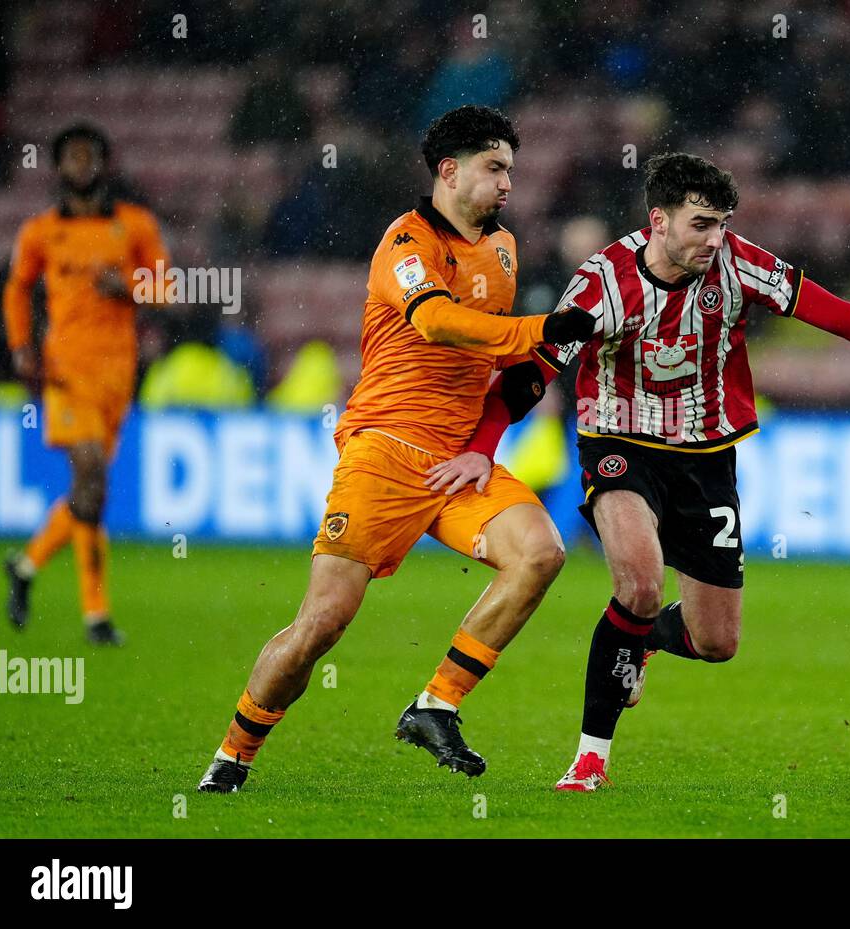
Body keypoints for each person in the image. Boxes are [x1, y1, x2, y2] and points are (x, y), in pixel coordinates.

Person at [465, 152, 850, 791]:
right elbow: (531, 375)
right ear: (659, 221)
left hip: (708, 457)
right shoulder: (602, 283)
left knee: (716, 642)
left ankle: (645, 639)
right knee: (640, 581)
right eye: (700, 224)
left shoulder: (742, 266)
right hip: (620, 442)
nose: (714, 239)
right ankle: (590, 758)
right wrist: (481, 447)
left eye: (721, 225)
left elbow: (844, 317)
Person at [197, 105, 596, 793]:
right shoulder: (403, 244)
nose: (508, 183)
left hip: (454, 464)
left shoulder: (503, 247)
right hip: (384, 451)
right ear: (449, 171)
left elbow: (494, 360)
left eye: (512, 169)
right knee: (321, 623)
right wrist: (543, 328)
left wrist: (486, 438)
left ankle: (436, 703)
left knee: (540, 552)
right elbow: (438, 322)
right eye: (494, 168)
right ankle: (233, 753)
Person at [1, 123, 170, 645]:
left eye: (89, 155)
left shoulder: (135, 226)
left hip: (117, 375)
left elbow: (166, 287)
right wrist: (21, 347)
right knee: (92, 478)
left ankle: (28, 565)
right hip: (66, 373)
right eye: (71, 156)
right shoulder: (40, 233)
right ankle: (96, 615)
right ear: (58, 167)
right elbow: (17, 288)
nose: (81, 164)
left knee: (89, 493)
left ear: (103, 163)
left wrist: (131, 286)